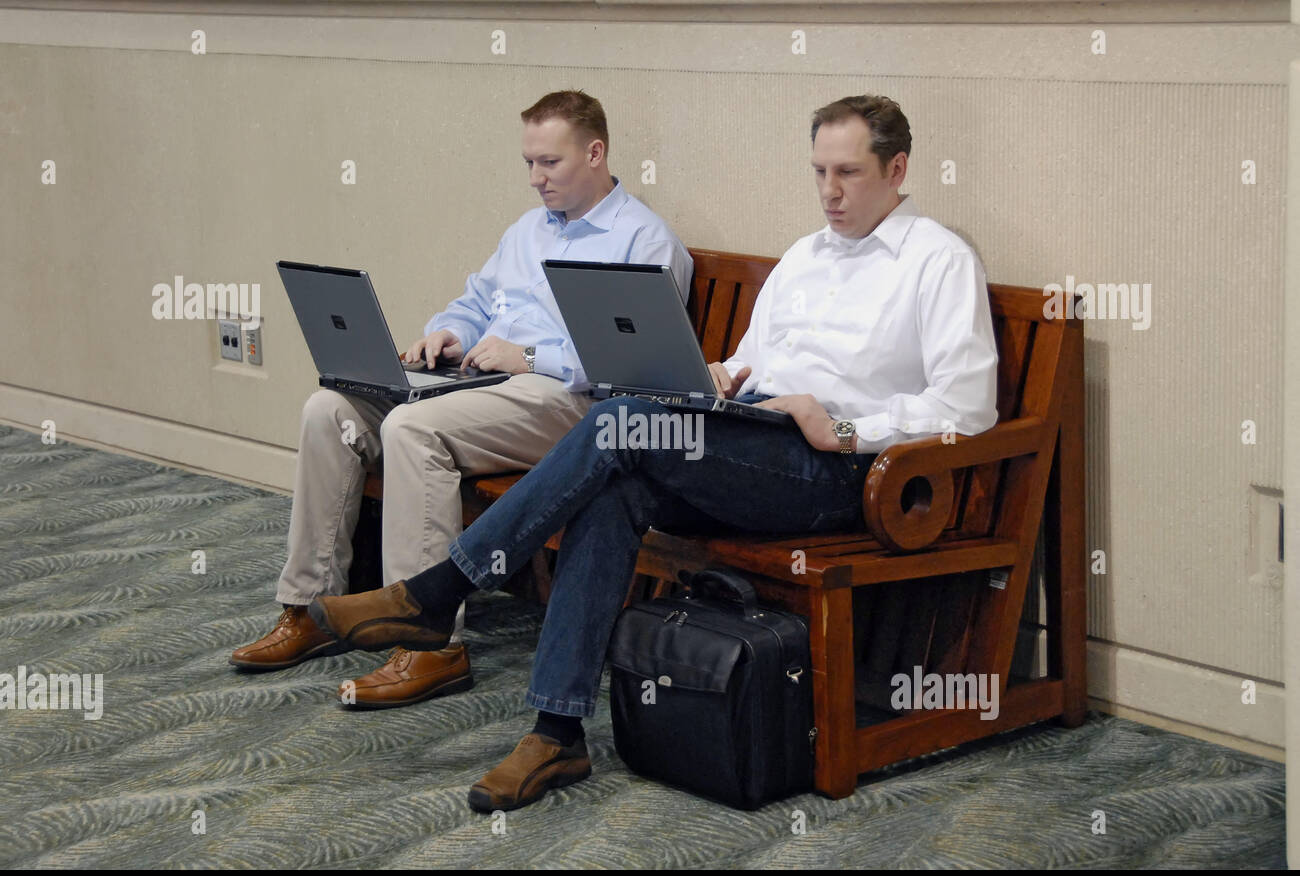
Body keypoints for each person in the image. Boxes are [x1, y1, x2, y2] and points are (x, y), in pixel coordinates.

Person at [306, 94, 999, 811]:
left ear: (897, 168)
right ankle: (556, 729)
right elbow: (752, 360)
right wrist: (719, 377)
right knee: (614, 489)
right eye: (819, 171)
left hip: (837, 469)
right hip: (752, 442)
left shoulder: (938, 261)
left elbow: (968, 410)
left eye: (848, 173)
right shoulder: (806, 256)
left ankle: (437, 592)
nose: (829, 191)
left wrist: (847, 428)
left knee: (622, 421)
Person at [229, 90, 692, 712]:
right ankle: (308, 607)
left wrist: (528, 358)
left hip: (568, 405)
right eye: (529, 163)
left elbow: (640, 373)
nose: (536, 179)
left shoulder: (645, 241)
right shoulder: (526, 231)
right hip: (483, 387)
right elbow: (475, 302)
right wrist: (449, 332)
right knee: (332, 409)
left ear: (595, 152)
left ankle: (428, 644)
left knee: (413, 430)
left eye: (549, 163)